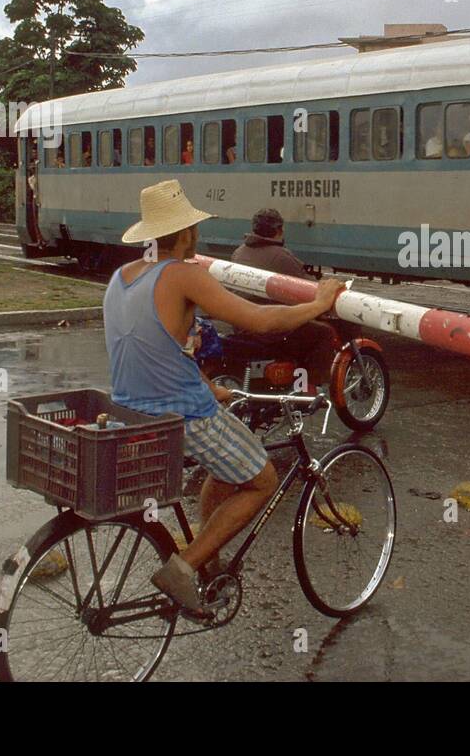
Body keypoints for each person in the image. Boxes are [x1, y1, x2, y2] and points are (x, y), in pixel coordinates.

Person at [105, 180, 345, 615]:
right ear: (186, 234)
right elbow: (259, 320)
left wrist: (204, 382)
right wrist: (318, 302)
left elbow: (149, 346)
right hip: (178, 413)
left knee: (228, 465)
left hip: (127, 407)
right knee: (262, 480)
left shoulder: (121, 277)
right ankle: (184, 567)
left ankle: (207, 561)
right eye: (193, 229)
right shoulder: (183, 275)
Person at [230, 208, 338, 382]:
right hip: (267, 328)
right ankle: (311, 386)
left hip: (241, 324)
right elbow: (308, 288)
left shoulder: (239, 252)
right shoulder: (281, 256)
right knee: (323, 333)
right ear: (279, 230)